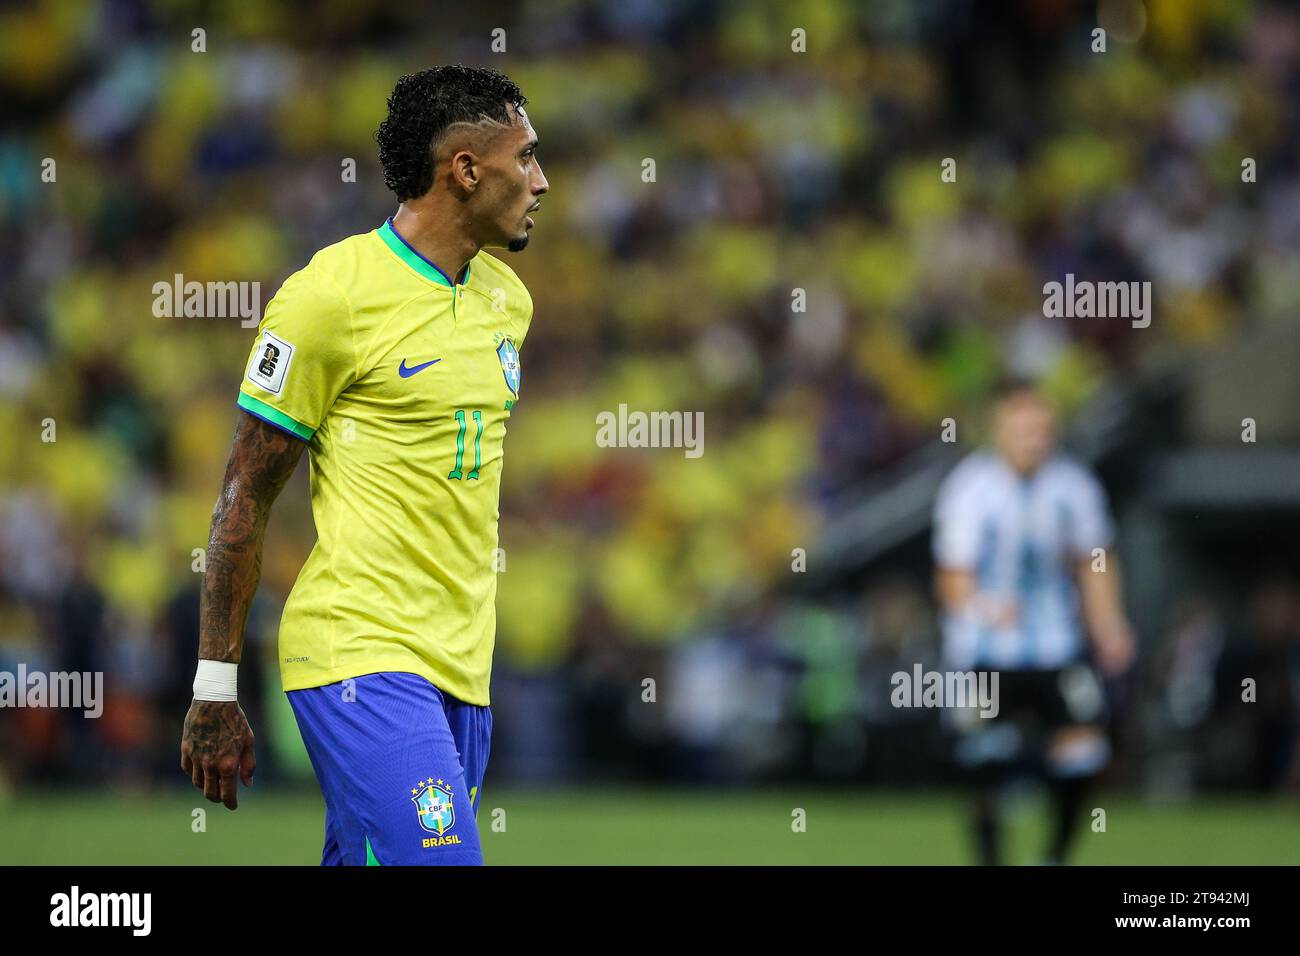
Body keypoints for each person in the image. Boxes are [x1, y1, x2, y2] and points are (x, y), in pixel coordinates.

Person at [180, 65, 548, 865]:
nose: (541, 180)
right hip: (360, 653)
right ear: (465, 169)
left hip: (463, 670)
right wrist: (215, 686)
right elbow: (245, 491)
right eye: (526, 158)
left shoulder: (507, 303)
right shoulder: (329, 298)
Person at [932, 381, 1135, 865]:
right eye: (1023, 428)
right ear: (999, 429)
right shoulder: (969, 489)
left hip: (1054, 645)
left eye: (1042, 428)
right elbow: (952, 576)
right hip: (984, 651)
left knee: (1085, 752)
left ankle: (1054, 856)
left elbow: (1095, 560)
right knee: (980, 760)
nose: (1034, 439)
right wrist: (983, 608)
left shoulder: (1074, 487)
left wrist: (1108, 622)